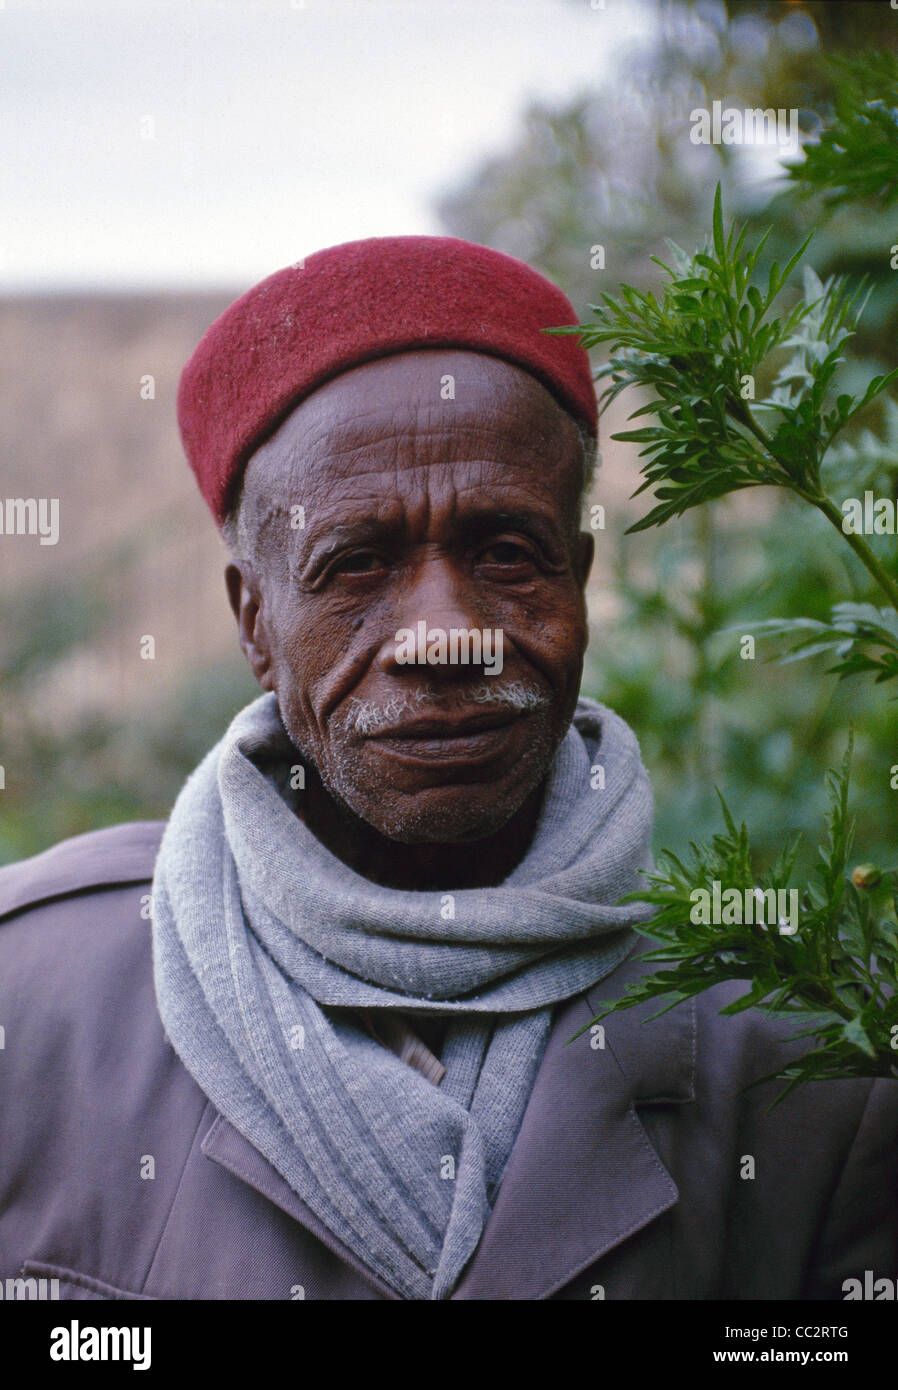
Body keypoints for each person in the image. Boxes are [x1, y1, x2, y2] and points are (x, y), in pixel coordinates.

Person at [1, 236, 895, 1301]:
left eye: (507, 553)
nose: (445, 637)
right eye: (357, 565)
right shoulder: (34, 998)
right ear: (254, 619)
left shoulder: (803, 1051)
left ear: (579, 575)